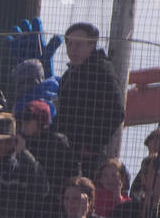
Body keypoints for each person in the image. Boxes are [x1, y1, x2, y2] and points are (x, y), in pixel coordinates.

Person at [52, 22, 125, 174]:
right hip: (65, 150)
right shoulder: (68, 75)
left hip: (89, 157)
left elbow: (117, 112)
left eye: (78, 44)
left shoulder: (102, 71)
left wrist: (91, 145)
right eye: (69, 44)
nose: (72, 49)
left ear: (91, 45)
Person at [16, 100, 77, 218]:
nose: (24, 123)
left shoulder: (57, 142)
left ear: (40, 122)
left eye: (28, 119)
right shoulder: (20, 141)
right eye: (22, 119)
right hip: (26, 205)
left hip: (52, 207)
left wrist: (65, 194)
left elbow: (74, 171)